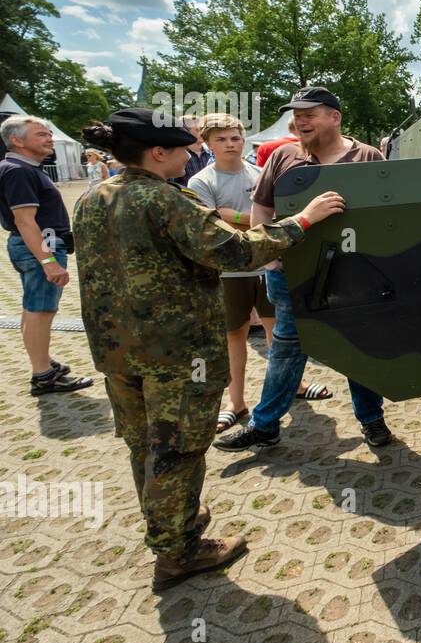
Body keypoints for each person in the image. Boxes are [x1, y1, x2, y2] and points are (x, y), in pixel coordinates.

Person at [72, 107, 346, 589]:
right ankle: (179, 552)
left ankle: (169, 522)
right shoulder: (163, 201)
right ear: (158, 152)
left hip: (118, 351)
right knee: (177, 449)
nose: (188, 154)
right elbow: (237, 251)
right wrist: (304, 219)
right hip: (175, 355)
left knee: (144, 446)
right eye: (181, 148)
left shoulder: (94, 197)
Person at [216, 86, 393, 453]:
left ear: (335, 116)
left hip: (353, 274)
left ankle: (371, 419)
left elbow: (385, 215)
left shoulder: (367, 156)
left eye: (309, 113)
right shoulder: (283, 156)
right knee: (285, 350)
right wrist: (270, 257)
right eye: (297, 115)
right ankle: (265, 426)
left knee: (359, 346)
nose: (300, 120)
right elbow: (261, 209)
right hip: (292, 275)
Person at [187, 113, 275, 432]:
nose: (230, 144)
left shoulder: (262, 174)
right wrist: (250, 217)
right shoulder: (201, 181)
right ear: (207, 143)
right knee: (234, 336)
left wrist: (233, 214)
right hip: (228, 272)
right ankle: (235, 403)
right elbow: (212, 226)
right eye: (221, 139)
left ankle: (293, 385)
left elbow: (273, 219)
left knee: (276, 331)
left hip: (267, 266)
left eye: (235, 138)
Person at [0, 115, 95, 395]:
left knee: (33, 309)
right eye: (41, 134)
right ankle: (43, 375)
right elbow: (25, 221)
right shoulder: (18, 170)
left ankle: (41, 363)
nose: (49, 138)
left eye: (49, 133)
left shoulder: (21, 168)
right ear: (17, 140)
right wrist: (47, 261)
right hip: (41, 246)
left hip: (37, 246)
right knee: (41, 311)